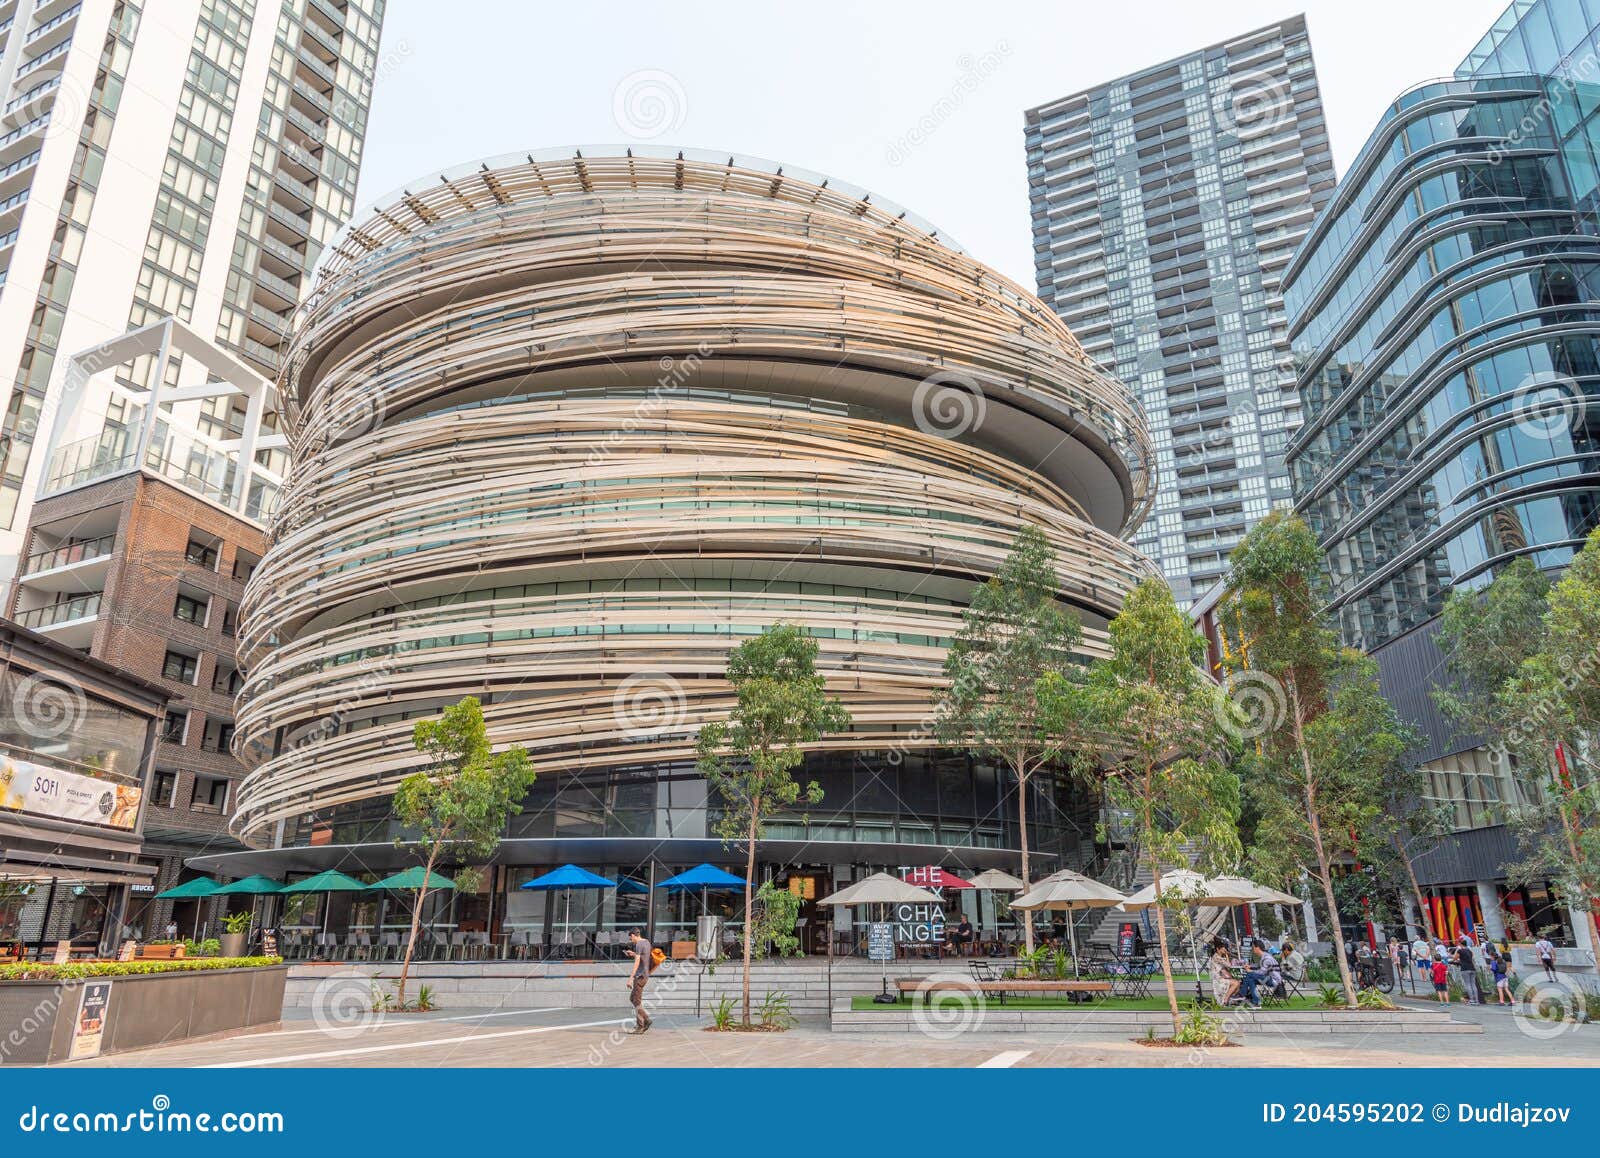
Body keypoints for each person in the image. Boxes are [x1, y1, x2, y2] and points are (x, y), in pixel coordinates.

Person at [623, 928, 654, 1034]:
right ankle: (641, 1023)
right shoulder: (647, 942)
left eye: (631, 938)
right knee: (633, 998)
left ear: (633, 935)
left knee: (636, 1000)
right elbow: (643, 957)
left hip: (640, 976)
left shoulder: (639, 944)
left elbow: (637, 963)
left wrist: (630, 978)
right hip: (645, 975)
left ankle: (644, 1023)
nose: (631, 940)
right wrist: (634, 954)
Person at [1240, 938, 1281, 1007]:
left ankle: (1242, 994)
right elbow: (1259, 965)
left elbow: (1262, 972)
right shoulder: (1264, 956)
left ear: (1257, 948)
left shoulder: (1267, 958)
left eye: (1253, 947)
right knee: (1250, 979)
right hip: (1267, 978)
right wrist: (1250, 966)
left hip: (1273, 980)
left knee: (1250, 975)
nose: (1252, 949)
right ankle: (1256, 1002)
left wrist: (1251, 971)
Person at [1208, 938, 1240, 1005]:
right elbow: (1229, 965)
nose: (1224, 950)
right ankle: (1225, 1000)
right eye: (1223, 949)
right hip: (1218, 980)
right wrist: (1226, 955)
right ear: (1218, 949)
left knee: (1238, 983)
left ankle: (1228, 999)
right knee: (1236, 983)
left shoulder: (1218, 957)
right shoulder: (1217, 957)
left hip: (1220, 978)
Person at [1454, 937, 1481, 1005]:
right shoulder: (1469, 951)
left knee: (1468, 984)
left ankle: (1471, 1000)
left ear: (1461, 944)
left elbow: (1455, 958)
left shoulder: (1460, 950)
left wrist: (1456, 952)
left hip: (1465, 968)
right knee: (1473, 984)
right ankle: (1476, 1000)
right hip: (1472, 968)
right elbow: (1470, 958)